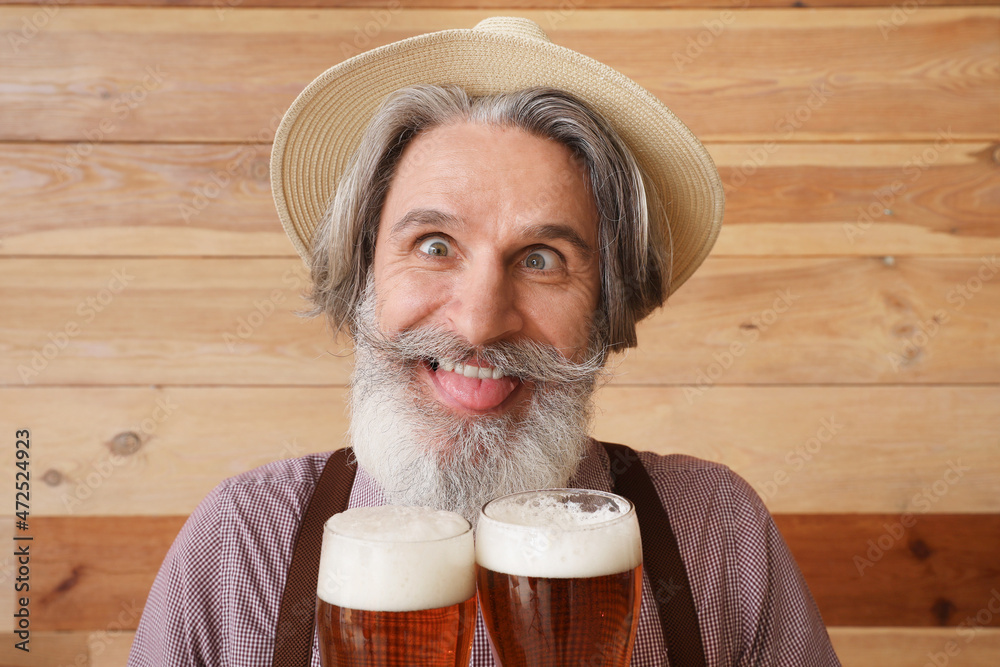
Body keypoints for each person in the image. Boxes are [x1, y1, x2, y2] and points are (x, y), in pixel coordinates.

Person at [129, 16, 840, 666]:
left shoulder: (718, 535)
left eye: (541, 260)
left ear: (604, 305)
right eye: (434, 244)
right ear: (363, 270)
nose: (477, 322)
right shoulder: (240, 546)